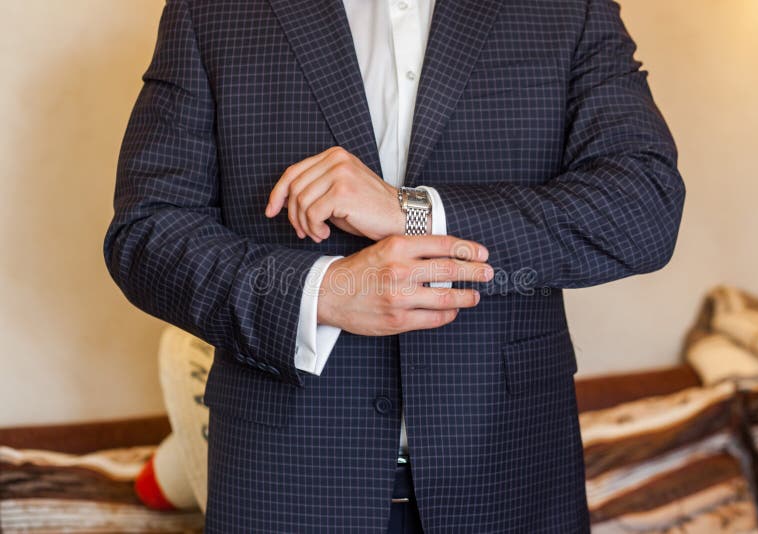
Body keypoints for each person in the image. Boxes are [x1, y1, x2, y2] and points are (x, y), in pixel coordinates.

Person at [104, 0, 685, 531]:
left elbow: (645, 204)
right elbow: (146, 232)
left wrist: (411, 214)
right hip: (286, 484)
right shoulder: (212, 9)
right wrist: (322, 292)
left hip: (510, 474)